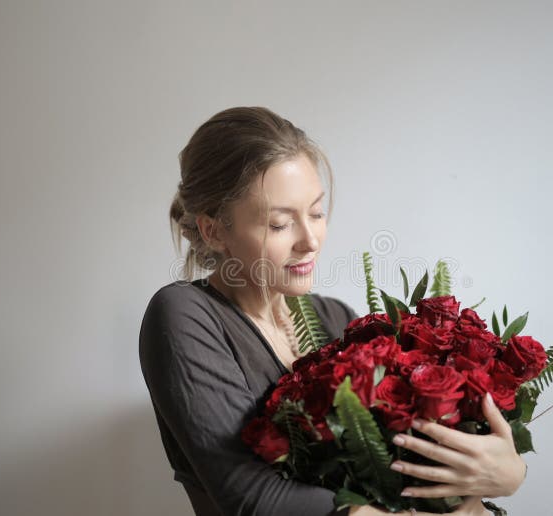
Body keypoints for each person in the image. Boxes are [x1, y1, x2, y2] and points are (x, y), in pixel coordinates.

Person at [138, 106, 526, 516]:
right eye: (279, 224)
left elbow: (399, 463)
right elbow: (252, 499)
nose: (310, 240)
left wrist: (503, 471)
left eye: (317, 213)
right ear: (214, 230)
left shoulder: (337, 320)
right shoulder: (184, 315)